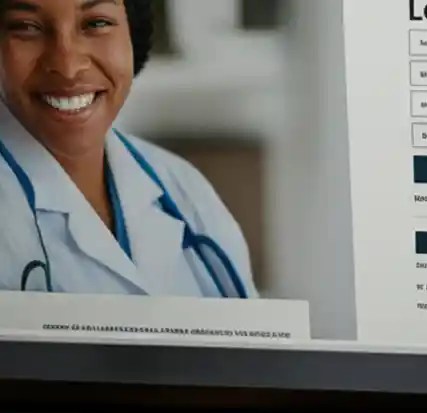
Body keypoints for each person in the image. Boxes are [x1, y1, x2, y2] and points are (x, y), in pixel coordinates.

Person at [0, 0, 257, 297]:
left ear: (132, 35)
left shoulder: (185, 188)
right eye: (27, 28)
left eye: (96, 24)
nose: (67, 67)